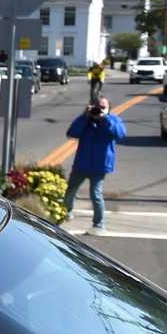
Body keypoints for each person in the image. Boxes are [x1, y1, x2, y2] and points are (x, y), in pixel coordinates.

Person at [66, 95, 126, 235]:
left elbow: (120, 134)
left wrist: (105, 118)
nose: (99, 110)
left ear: (109, 109)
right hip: (82, 163)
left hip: (100, 165)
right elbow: (72, 133)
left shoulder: (113, 120)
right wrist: (85, 116)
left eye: (103, 107)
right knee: (70, 191)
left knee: (96, 194)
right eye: (98, 107)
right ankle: (66, 213)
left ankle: (99, 223)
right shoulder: (86, 120)